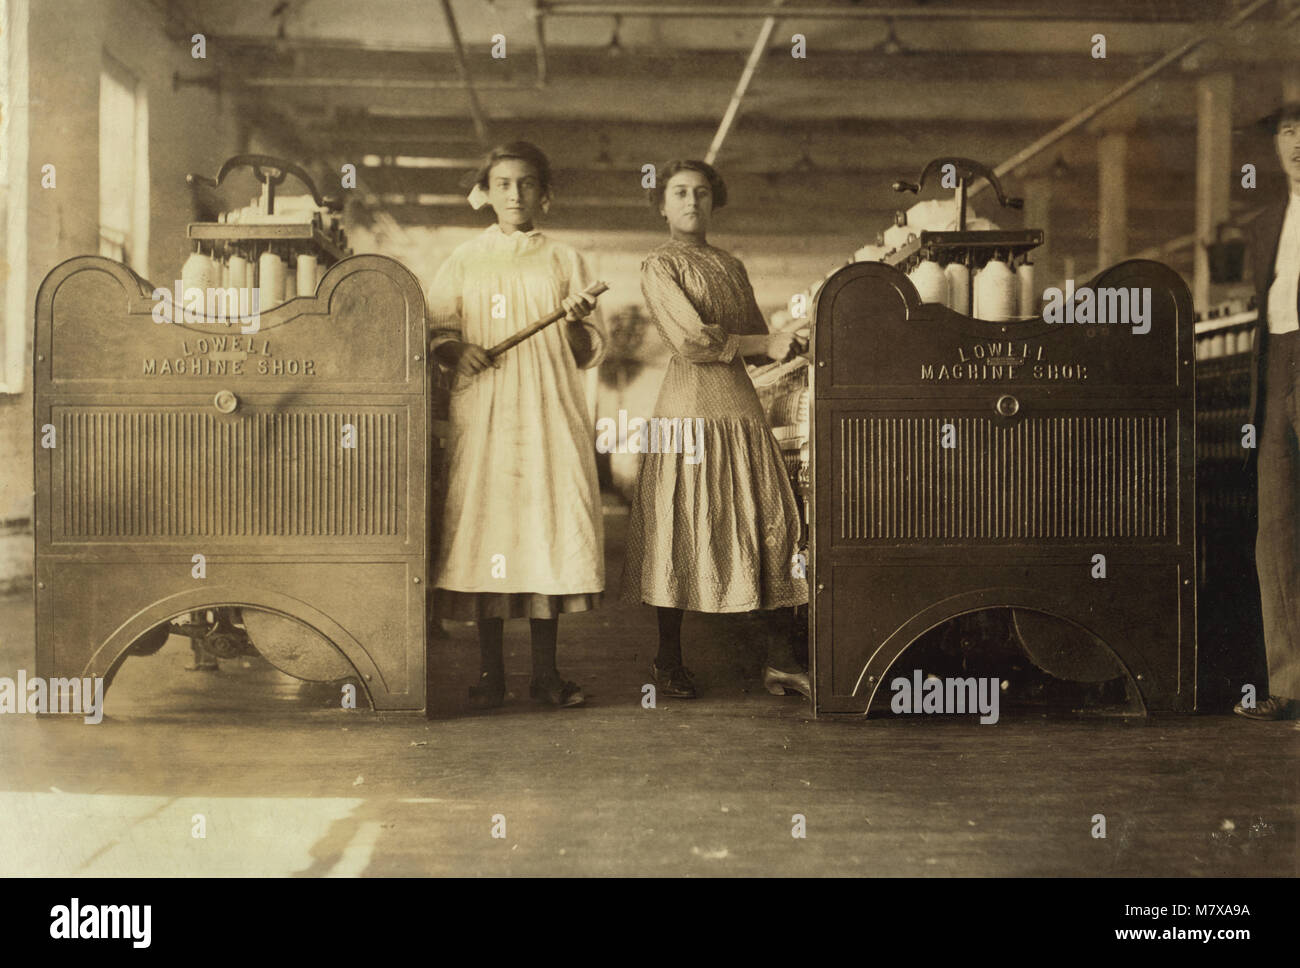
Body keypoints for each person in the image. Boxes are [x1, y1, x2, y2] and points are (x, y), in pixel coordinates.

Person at [426, 141, 605, 709]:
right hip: (487, 410)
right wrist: (457, 351)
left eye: (527, 183)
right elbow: (437, 330)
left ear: (544, 195)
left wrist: (575, 323)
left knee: (543, 529)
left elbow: (584, 350)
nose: (515, 193)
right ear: (487, 191)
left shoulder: (566, 260)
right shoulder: (463, 258)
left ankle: (547, 676)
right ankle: (490, 676)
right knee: (488, 528)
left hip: (550, 409)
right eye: (503, 183)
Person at [622, 159, 810, 699]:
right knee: (680, 528)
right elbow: (694, 341)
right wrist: (763, 343)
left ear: (714, 201)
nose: (691, 202)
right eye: (679, 192)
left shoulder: (731, 264)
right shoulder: (659, 265)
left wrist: (789, 336)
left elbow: (754, 342)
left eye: (702, 193)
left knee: (772, 521)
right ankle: (667, 661)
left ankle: (779, 661)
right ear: (661, 205)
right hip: (688, 410)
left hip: (741, 411)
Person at [1236, 100, 1300, 722]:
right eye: (1287, 132)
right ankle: (1288, 684)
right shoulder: (1265, 223)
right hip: (1276, 367)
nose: (1297, 143)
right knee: (1276, 531)